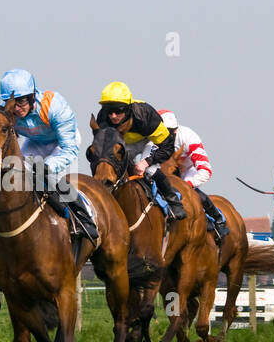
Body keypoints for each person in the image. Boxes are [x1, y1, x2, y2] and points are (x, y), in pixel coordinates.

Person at [0, 68, 96, 240]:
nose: (17, 108)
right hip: (35, 143)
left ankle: (84, 216)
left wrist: (48, 166)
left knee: (50, 176)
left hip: (63, 143)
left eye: (21, 101)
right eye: (12, 102)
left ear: (32, 96)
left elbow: (69, 148)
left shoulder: (55, 106)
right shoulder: (7, 114)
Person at [95, 82, 186, 220]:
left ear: (128, 108)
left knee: (148, 170)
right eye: (109, 111)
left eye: (118, 110)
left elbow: (168, 146)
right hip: (125, 143)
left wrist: (146, 162)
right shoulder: (102, 117)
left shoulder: (144, 115)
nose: (113, 116)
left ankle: (173, 200)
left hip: (149, 140)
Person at [156, 109, 230, 238]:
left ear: (176, 129)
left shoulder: (188, 137)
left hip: (189, 170)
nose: (169, 135)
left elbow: (205, 170)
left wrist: (186, 185)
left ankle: (218, 219)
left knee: (193, 193)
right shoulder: (152, 138)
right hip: (165, 171)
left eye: (172, 131)